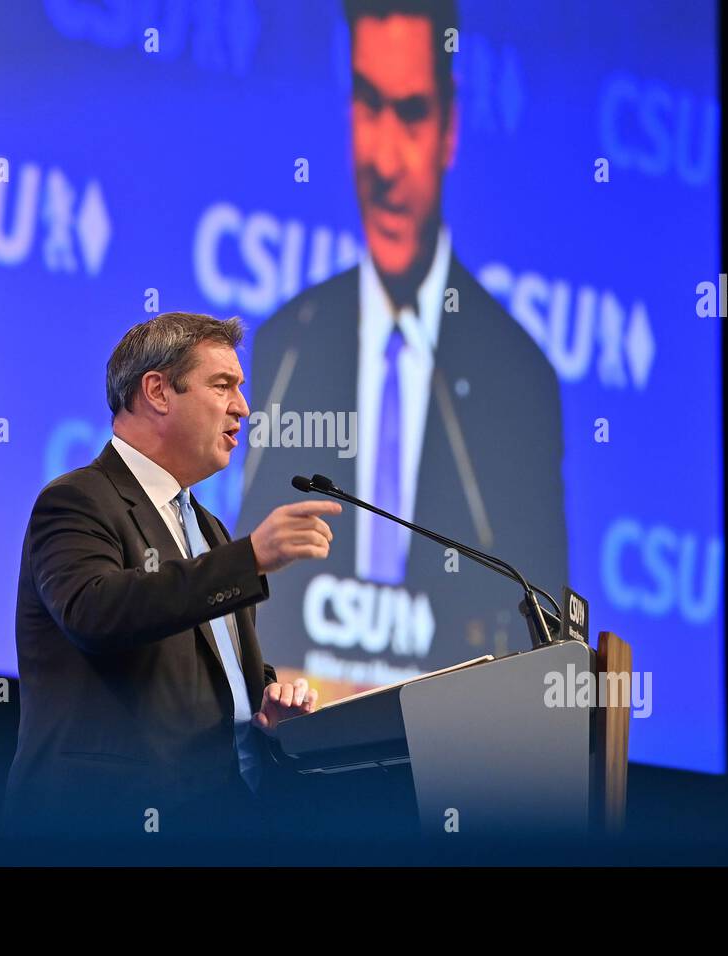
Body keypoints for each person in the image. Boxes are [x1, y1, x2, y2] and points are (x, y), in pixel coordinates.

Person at [238, 0, 568, 683]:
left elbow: (548, 647)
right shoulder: (285, 344)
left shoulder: (519, 378)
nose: (384, 160)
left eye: (411, 113)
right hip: (294, 757)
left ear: (448, 129)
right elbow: (248, 600)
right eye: (368, 105)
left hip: (454, 761)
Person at [4, 311, 342, 841]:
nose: (243, 407)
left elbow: (202, 664)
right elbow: (94, 612)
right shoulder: (77, 500)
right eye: (223, 385)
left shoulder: (209, 529)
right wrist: (248, 558)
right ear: (158, 391)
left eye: (241, 388)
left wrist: (267, 699)